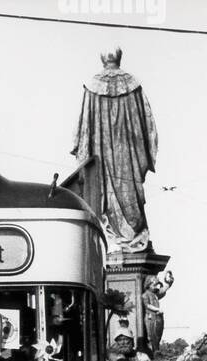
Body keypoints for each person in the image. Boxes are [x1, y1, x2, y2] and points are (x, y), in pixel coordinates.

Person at [70, 48, 159, 252]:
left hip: (103, 156)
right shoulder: (133, 85)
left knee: (109, 196)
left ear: (102, 58)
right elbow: (148, 127)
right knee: (129, 193)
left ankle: (122, 240)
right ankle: (129, 238)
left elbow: (83, 129)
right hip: (129, 156)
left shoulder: (92, 88)